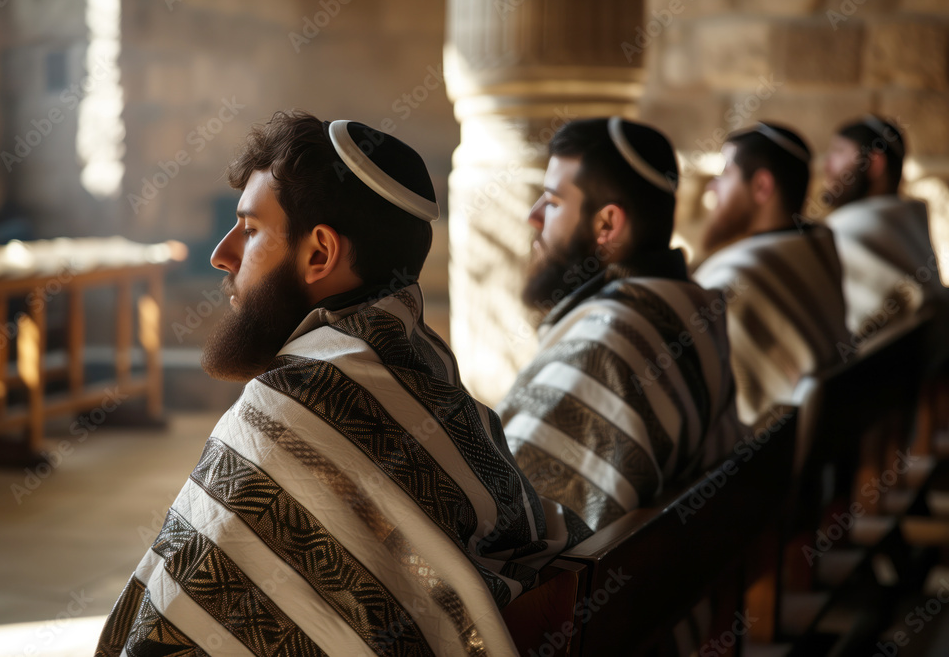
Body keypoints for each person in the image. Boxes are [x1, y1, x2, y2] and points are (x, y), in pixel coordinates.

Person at [95, 111, 589, 657]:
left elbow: (160, 637)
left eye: (251, 230)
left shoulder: (289, 407)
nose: (222, 254)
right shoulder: (425, 367)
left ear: (321, 254)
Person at [498, 117, 745, 536]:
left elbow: (501, 517)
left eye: (554, 202)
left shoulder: (601, 346)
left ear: (607, 225)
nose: (533, 216)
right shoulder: (692, 306)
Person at [693, 122, 849, 424]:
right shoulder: (816, 245)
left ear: (762, 186)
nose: (712, 187)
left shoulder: (730, 283)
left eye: (725, 174)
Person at [822, 115, 946, 342]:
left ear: (874, 163)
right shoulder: (909, 223)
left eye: (838, 152)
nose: (826, 167)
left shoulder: (842, 232)